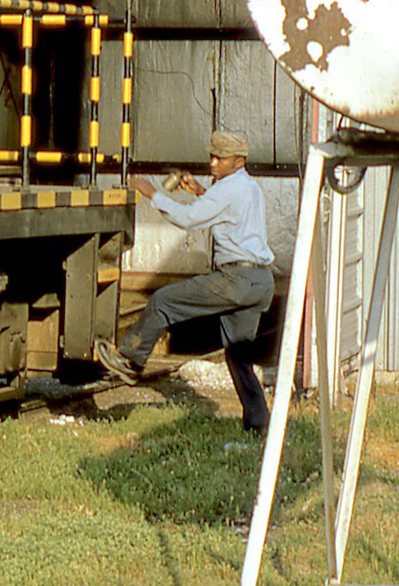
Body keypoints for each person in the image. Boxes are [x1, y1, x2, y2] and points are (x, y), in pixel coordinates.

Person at [93, 130, 277, 431]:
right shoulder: (248, 186)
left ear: (239, 161)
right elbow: (227, 213)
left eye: (221, 158)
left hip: (236, 279)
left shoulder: (227, 188)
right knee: (238, 356)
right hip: (259, 281)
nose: (213, 162)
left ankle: (129, 361)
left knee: (163, 301)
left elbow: (188, 219)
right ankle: (259, 423)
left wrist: (151, 193)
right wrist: (201, 192)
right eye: (212, 156)